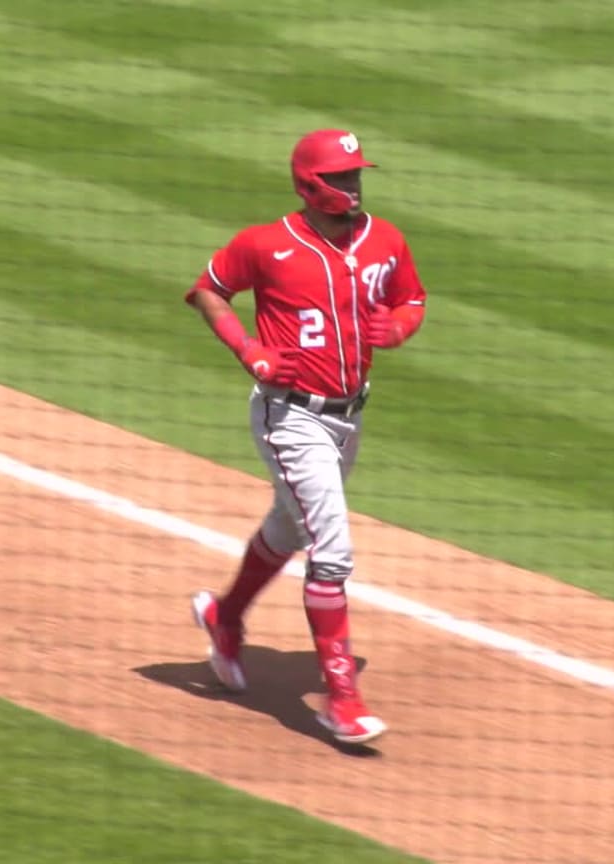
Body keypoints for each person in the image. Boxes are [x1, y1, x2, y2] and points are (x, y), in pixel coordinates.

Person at [183, 128, 427, 745]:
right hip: (289, 417)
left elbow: (413, 301)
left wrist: (397, 329)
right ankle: (341, 701)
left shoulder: (385, 240)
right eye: (342, 177)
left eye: (356, 175)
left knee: (291, 528)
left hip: (350, 417)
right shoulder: (267, 245)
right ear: (312, 184)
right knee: (333, 550)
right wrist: (251, 351)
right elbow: (207, 291)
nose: (354, 185)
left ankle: (225, 617)